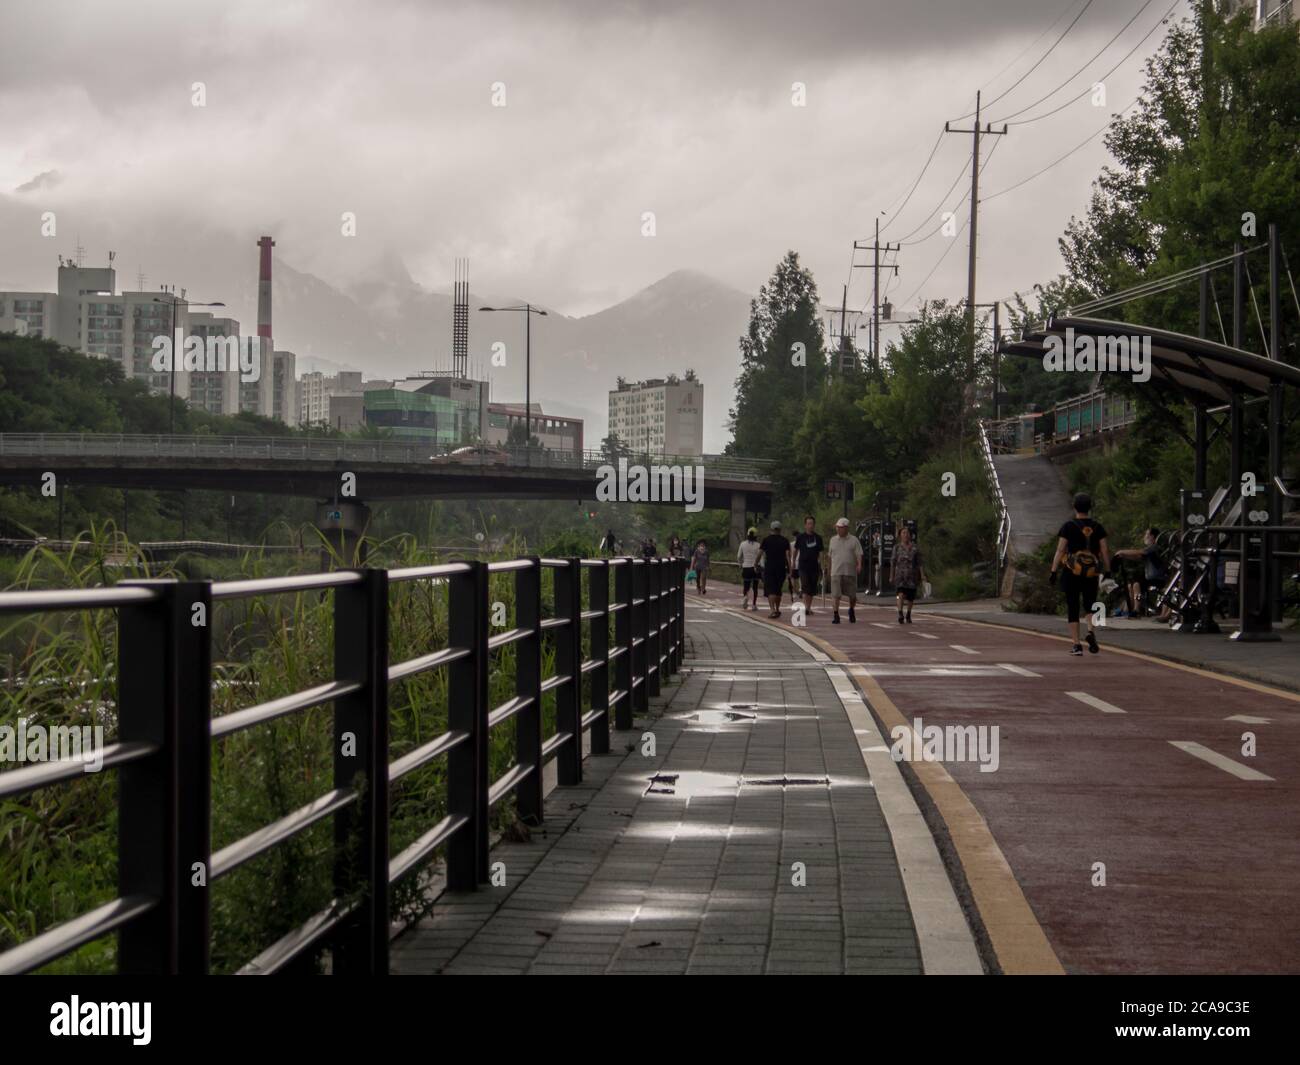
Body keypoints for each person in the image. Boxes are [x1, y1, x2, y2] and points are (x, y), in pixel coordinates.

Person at [1049, 493, 1113, 655]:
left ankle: (1077, 645)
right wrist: (1107, 570)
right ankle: (1090, 631)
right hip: (1091, 573)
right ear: (1090, 507)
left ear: (1074, 507)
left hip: (1072, 572)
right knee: (1091, 604)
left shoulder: (1068, 526)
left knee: (1073, 606)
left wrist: (1053, 570)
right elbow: (1105, 550)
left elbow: (1060, 549)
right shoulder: (1098, 527)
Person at [1113, 527, 1170, 621]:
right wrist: (1124, 556)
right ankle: (1129, 609)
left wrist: (1121, 551)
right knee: (1131, 585)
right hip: (1151, 578)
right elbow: (1139, 557)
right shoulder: (1151, 549)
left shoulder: (1155, 547)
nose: (1144, 537)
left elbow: (1140, 552)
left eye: (1146, 534)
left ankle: (1136, 610)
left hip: (1159, 579)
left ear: (1152, 536)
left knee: (1136, 584)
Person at [827, 516, 863, 623]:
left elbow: (859, 554)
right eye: (837, 527)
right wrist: (829, 569)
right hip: (836, 571)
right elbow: (829, 556)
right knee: (836, 595)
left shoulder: (854, 540)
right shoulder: (833, 540)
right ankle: (836, 615)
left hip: (849, 571)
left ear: (846, 528)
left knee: (852, 596)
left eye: (840, 527)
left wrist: (859, 565)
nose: (838, 529)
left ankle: (851, 609)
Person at [890, 524, 925, 623]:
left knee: (910, 597)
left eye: (907, 533)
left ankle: (908, 614)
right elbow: (893, 562)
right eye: (903, 533)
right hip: (900, 576)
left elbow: (919, 563)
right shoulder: (896, 548)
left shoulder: (915, 548)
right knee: (900, 594)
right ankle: (900, 613)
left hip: (912, 576)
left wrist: (922, 575)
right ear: (900, 535)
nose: (905, 535)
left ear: (910, 535)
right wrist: (891, 575)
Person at [758, 520, 792, 618]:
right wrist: (790, 569)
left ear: (771, 529)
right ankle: (777, 609)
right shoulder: (785, 541)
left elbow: (760, 553)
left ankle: (772, 610)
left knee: (771, 590)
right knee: (778, 590)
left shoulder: (766, 540)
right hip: (781, 568)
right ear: (780, 529)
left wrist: (756, 563)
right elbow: (788, 556)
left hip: (770, 568)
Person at [793, 515, 825, 616]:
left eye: (812, 524)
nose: (810, 526)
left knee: (812, 588)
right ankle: (806, 607)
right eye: (808, 524)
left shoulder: (818, 538)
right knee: (805, 586)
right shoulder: (800, 537)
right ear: (805, 525)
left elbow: (821, 552)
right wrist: (793, 561)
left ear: (814, 525)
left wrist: (822, 563)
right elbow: (796, 550)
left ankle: (808, 607)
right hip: (803, 566)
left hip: (814, 566)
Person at [737, 526, 762, 610]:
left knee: (746, 586)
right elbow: (761, 557)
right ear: (756, 536)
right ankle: (754, 605)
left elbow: (739, 556)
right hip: (755, 568)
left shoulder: (743, 544)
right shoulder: (758, 545)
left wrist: (740, 564)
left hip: (746, 567)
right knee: (755, 587)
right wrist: (761, 567)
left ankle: (745, 597)